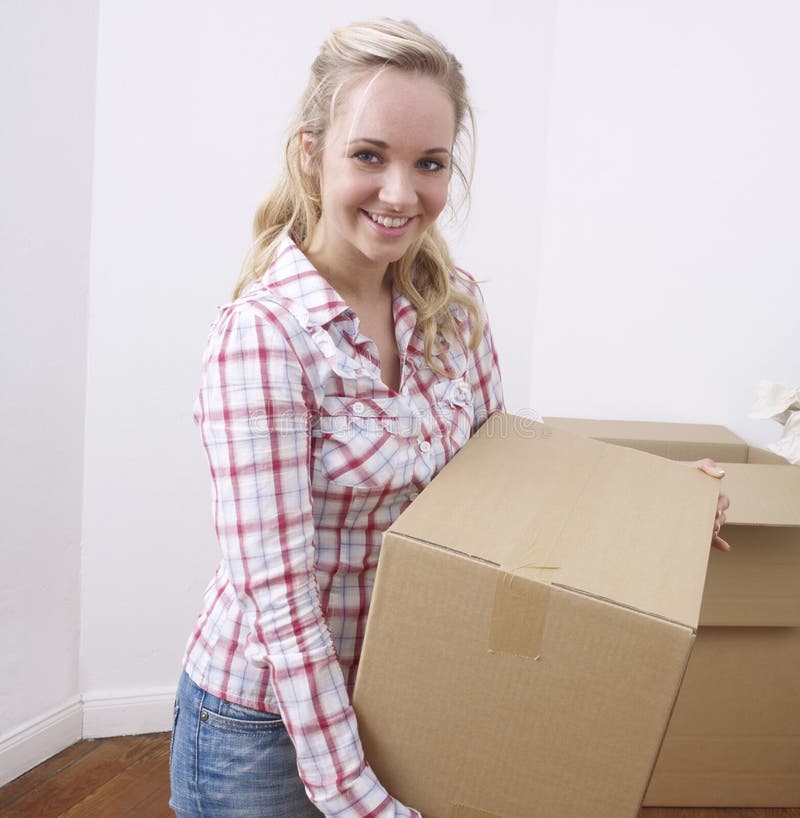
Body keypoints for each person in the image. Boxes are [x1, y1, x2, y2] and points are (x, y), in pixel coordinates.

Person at [169, 17, 730, 818]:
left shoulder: (450, 312)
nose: (402, 194)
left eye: (429, 163)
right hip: (261, 728)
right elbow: (283, 605)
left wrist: (660, 509)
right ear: (310, 153)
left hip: (404, 696)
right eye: (369, 155)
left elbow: (504, 490)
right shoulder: (264, 339)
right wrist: (356, 796)